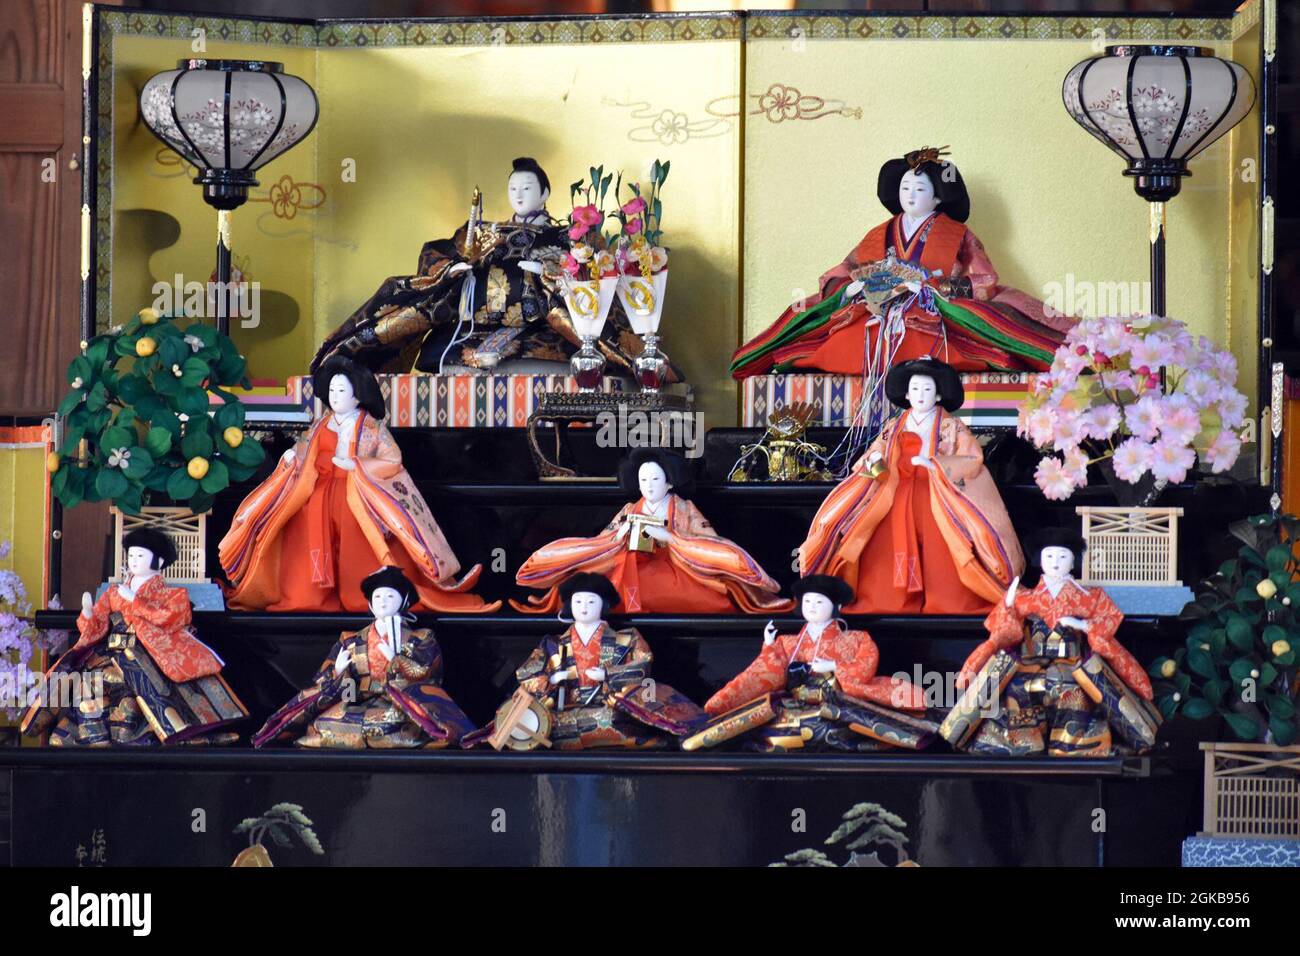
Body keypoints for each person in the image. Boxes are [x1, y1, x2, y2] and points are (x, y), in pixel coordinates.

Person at [730, 147, 1071, 381]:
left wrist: (929, 288)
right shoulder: (879, 232)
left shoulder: (957, 234)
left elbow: (983, 280)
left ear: (937, 196)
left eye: (919, 188)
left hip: (932, 312)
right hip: (878, 309)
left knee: (972, 333)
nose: (909, 194)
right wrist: (853, 287)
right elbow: (843, 271)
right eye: (905, 187)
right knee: (842, 340)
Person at [218, 355, 499, 613]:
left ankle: (362, 595)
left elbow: (393, 459)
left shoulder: (371, 426)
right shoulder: (320, 425)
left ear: (357, 395)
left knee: (360, 537)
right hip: (318, 493)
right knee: (299, 528)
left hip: (357, 493)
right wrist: (293, 457)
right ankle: (309, 597)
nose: (335, 397)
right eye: (332, 391)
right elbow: (305, 453)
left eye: (342, 391)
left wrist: (360, 465)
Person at [312, 157, 640, 376]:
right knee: (397, 290)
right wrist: (452, 269)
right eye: (513, 189)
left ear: (545, 193)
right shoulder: (485, 233)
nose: (519, 195)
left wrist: (547, 272)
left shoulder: (565, 235)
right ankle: (343, 358)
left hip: (541, 328)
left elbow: (587, 271)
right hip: (475, 327)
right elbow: (443, 253)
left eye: (527, 188)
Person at [800, 356, 1023, 614]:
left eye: (927, 389)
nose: (920, 395)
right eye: (915, 389)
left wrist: (937, 465)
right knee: (881, 544)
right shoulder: (895, 425)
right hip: (894, 493)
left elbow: (972, 458)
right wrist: (873, 460)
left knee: (945, 548)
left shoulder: (951, 426)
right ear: (906, 393)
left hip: (936, 494)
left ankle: (947, 603)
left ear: (938, 396)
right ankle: (887, 602)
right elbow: (876, 452)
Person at [22, 528, 246, 746]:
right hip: (110, 653)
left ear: (158, 562)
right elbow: (97, 626)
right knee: (86, 681)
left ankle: (140, 736)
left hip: (148, 656)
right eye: (131, 555)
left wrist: (135, 601)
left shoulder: (173, 595)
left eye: (140, 555)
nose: (134, 560)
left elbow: (170, 618)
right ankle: (95, 738)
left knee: (149, 698)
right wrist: (88, 612)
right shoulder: (114, 593)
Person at [951, 527, 1155, 756]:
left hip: (1072, 664)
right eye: (1049, 556)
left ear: (1072, 562)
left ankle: (1076, 747)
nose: (1056, 562)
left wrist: (1083, 626)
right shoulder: (1024, 596)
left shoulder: (1089, 596)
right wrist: (1008, 606)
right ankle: (1022, 744)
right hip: (1031, 662)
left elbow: (1109, 617)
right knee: (1017, 687)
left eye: (1063, 556)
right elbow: (1004, 631)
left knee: (1076, 691)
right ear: (1040, 560)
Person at [512, 447, 791, 615]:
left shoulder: (683, 508)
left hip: (676, 568)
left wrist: (670, 538)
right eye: (643, 479)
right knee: (594, 580)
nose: (648, 485)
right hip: (631, 565)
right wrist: (618, 538)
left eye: (655, 479)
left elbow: (709, 543)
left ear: (670, 483)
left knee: (706, 597)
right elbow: (603, 540)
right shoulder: (632, 507)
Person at [687, 576, 934, 752]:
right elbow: (767, 673)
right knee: (761, 719)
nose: (812, 607)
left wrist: (835, 668)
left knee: (845, 719)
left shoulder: (857, 639)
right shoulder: (787, 642)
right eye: (807, 602)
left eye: (819, 602)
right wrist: (769, 646)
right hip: (794, 703)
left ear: (836, 607)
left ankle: (908, 736)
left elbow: (864, 668)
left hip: (835, 701)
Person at [472, 573, 703, 750]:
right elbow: (525, 675)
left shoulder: (627, 637)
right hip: (563, 711)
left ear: (603, 605)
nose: (584, 607)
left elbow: (643, 665)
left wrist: (608, 676)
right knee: (542, 724)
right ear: (569, 606)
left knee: (613, 718)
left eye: (591, 602)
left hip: (609, 709)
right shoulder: (552, 643)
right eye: (578, 602)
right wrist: (552, 678)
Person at [253, 567, 475, 749]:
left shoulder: (420, 637)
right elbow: (323, 679)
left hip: (397, 703)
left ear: (404, 600)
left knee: (402, 723)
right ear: (369, 603)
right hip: (358, 700)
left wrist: (396, 660)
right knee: (323, 724)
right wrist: (339, 672)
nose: (383, 601)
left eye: (390, 596)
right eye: (377, 596)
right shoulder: (350, 640)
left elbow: (428, 674)